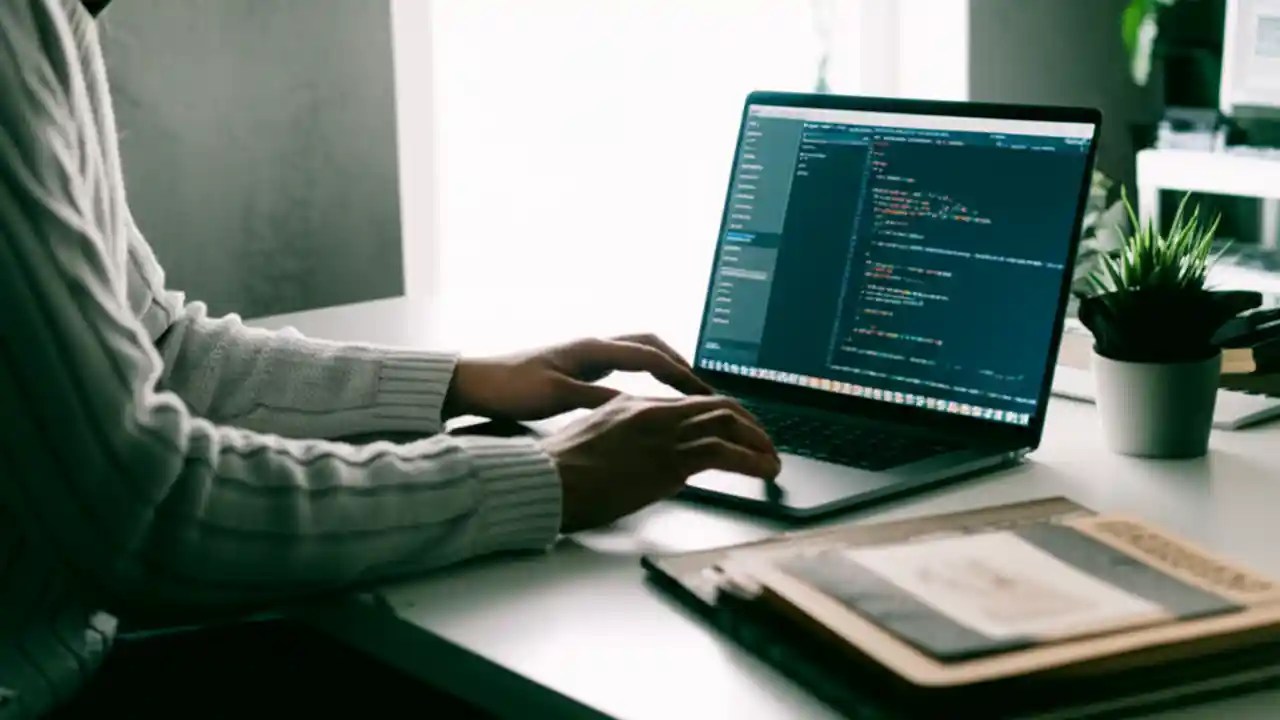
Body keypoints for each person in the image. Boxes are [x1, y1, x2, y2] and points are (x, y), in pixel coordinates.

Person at [0, 0, 780, 717]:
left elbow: (165, 348)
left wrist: (464, 381)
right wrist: (552, 479)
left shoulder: (54, 16)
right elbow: (147, 514)